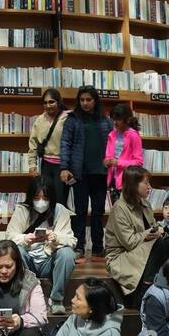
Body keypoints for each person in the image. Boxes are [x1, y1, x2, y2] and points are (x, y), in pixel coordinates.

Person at [5, 174, 77, 315]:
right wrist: (25, 238)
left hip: (50, 261)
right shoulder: (22, 210)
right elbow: (9, 237)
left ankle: (56, 299)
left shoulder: (60, 210)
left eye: (45, 198)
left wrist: (56, 237)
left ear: (52, 198)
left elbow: (72, 240)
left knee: (67, 253)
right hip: (28, 261)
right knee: (16, 251)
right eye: (37, 198)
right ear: (31, 197)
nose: (41, 202)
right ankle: (26, 297)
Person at [59, 85, 113, 261]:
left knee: (98, 211)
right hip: (79, 173)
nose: (85, 103)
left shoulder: (106, 121)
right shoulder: (72, 119)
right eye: (81, 100)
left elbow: (113, 144)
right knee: (80, 211)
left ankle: (98, 248)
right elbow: (65, 144)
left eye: (88, 99)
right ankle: (79, 247)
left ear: (95, 100)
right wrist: (64, 167)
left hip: (101, 172)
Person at [103, 165, 166, 303]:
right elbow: (129, 242)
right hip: (120, 255)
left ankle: (168, 289)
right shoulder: (119, 208)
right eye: (146, 182)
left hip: (142, 249)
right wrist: (149, 233)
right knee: (160, 244)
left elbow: (152, 226)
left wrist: (159, 230)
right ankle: (143, 291)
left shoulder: (146, 204)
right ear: (134, 185)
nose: (149, 186)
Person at [27, 88, 68, 204]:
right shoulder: (39, 120)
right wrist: (32, 165)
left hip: (63, 166)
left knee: (60, 201)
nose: (48, 105)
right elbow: (33, 143)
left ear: (59, 102)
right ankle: (49, 222)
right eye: (45, 102)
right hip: (46, 166)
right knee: (46, 198)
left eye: (51, 102)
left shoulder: (68, 118)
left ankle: (61, 222)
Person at [103, 102, 144, 204]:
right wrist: (106, 162)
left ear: (127, 119)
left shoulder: (133, 135)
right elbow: (108, 156)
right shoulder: (112, 135)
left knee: (127, 214)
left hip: (127, 182)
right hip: (112, 181)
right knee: (116, 213)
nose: (115, 122)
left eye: (118, 119)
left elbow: (138, 163)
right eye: (113, 119)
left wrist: (118, 163)